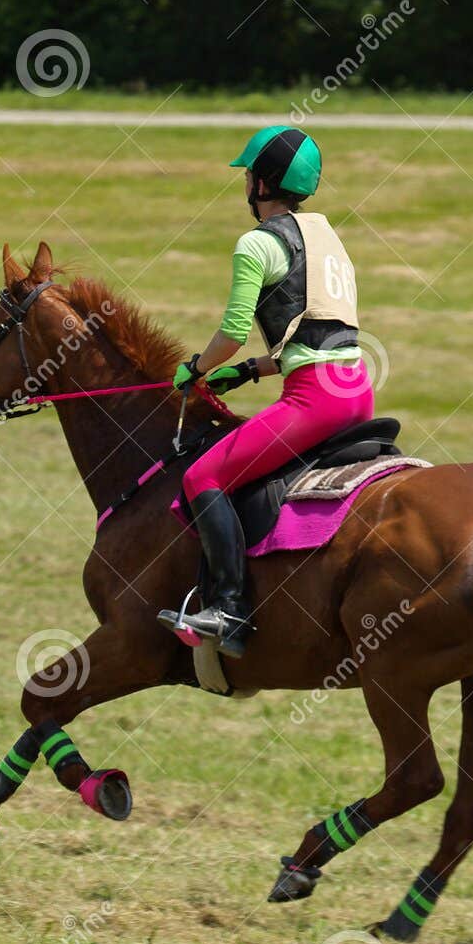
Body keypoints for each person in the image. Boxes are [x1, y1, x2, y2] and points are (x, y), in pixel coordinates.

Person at [163, 125, 373, 658]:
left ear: (261, 183)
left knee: (202, 474)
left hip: (315, 400)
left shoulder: (258, 243)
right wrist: (254, 371)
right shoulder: (328, 238)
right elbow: (322, 334)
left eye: (249, 175)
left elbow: (232, 332)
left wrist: (198, 368)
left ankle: (228, 609)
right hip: (356, 388)